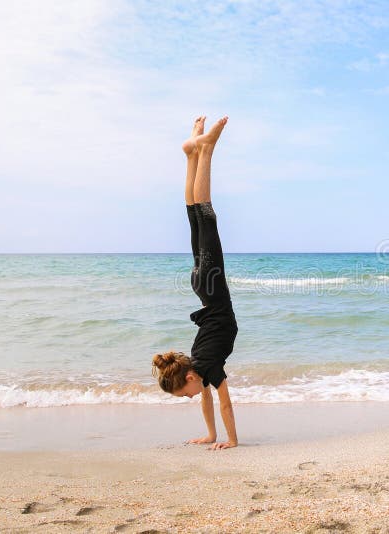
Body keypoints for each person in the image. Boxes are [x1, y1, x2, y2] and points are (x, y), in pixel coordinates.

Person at [151, 115, 239, 450]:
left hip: (211, 288)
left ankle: (206, 149)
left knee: (205, 215)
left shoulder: (208, 367)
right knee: (194, 219)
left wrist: (231, 440)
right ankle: (192, 153)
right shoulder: (196, 363)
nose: (190, 396)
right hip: (201, 287)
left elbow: (224, 403)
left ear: (189, 377)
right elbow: (208, 399)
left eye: (184, 394)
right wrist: (211, 436)